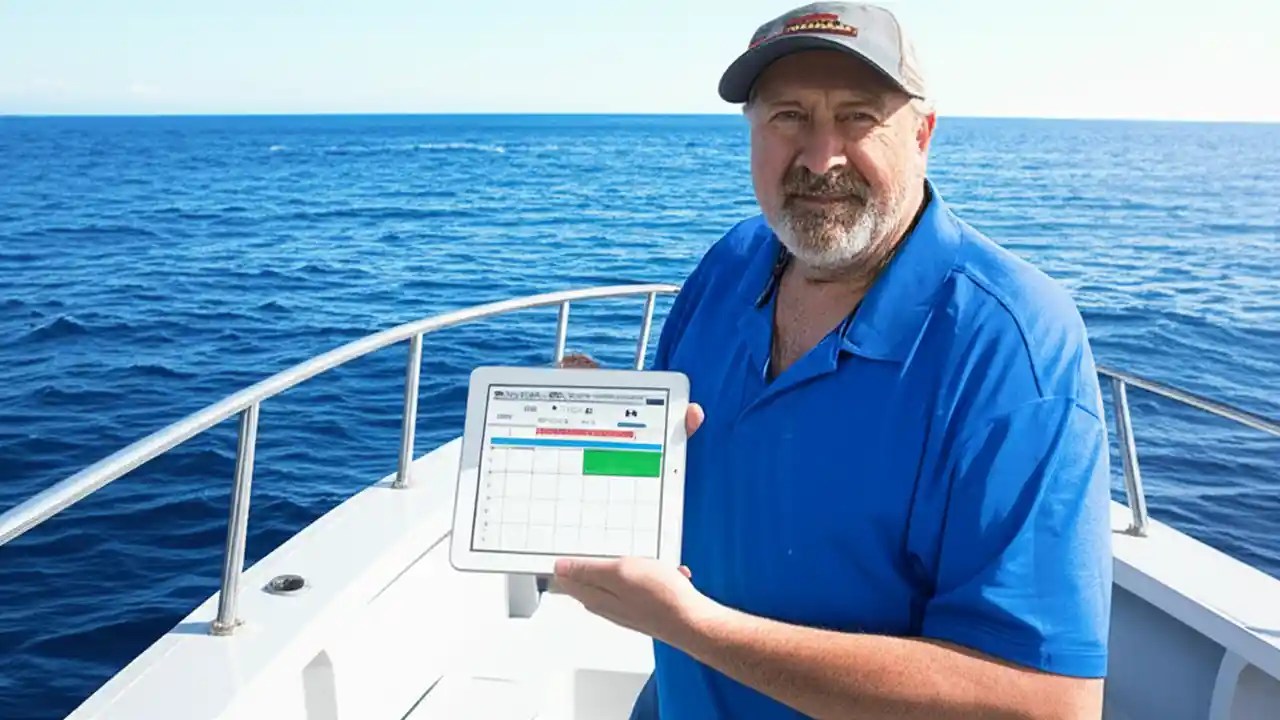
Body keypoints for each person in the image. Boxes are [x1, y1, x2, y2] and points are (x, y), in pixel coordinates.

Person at [552, 3, 1113, 718]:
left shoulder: (1013, 345)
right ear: (751, 132)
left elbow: (1046, 704)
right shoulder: (728, 266)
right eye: (788, 116)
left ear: (923, 134)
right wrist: (608, 433)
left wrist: (691, 626)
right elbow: (707, 477)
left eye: (857, 117)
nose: (821, 158)